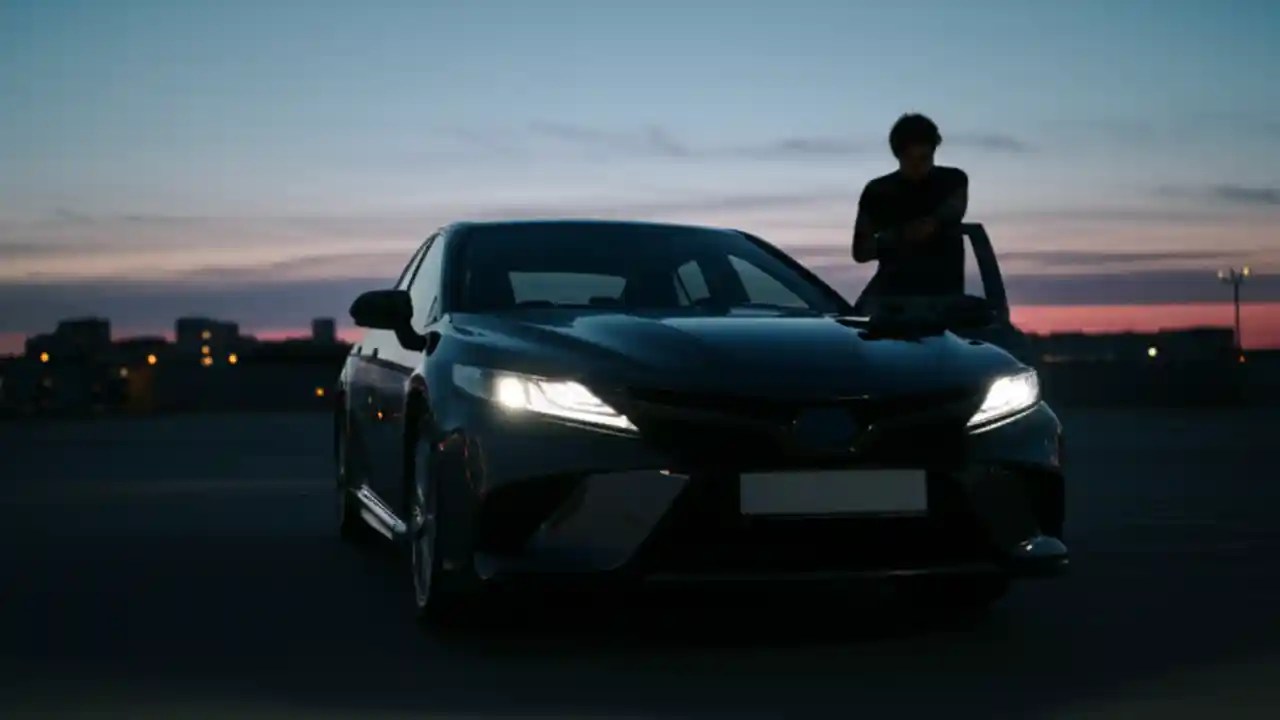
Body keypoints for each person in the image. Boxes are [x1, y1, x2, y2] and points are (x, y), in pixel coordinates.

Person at [851, 113, 969, 311]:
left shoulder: (952, 181)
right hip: (891, 301)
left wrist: (930, 225)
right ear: (898, 155)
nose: (917, 166)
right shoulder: (878, 191)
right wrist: (899, 237)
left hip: (943, 304)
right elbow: (860, 251)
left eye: (924, 158)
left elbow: (953, 210)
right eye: (909, 158)